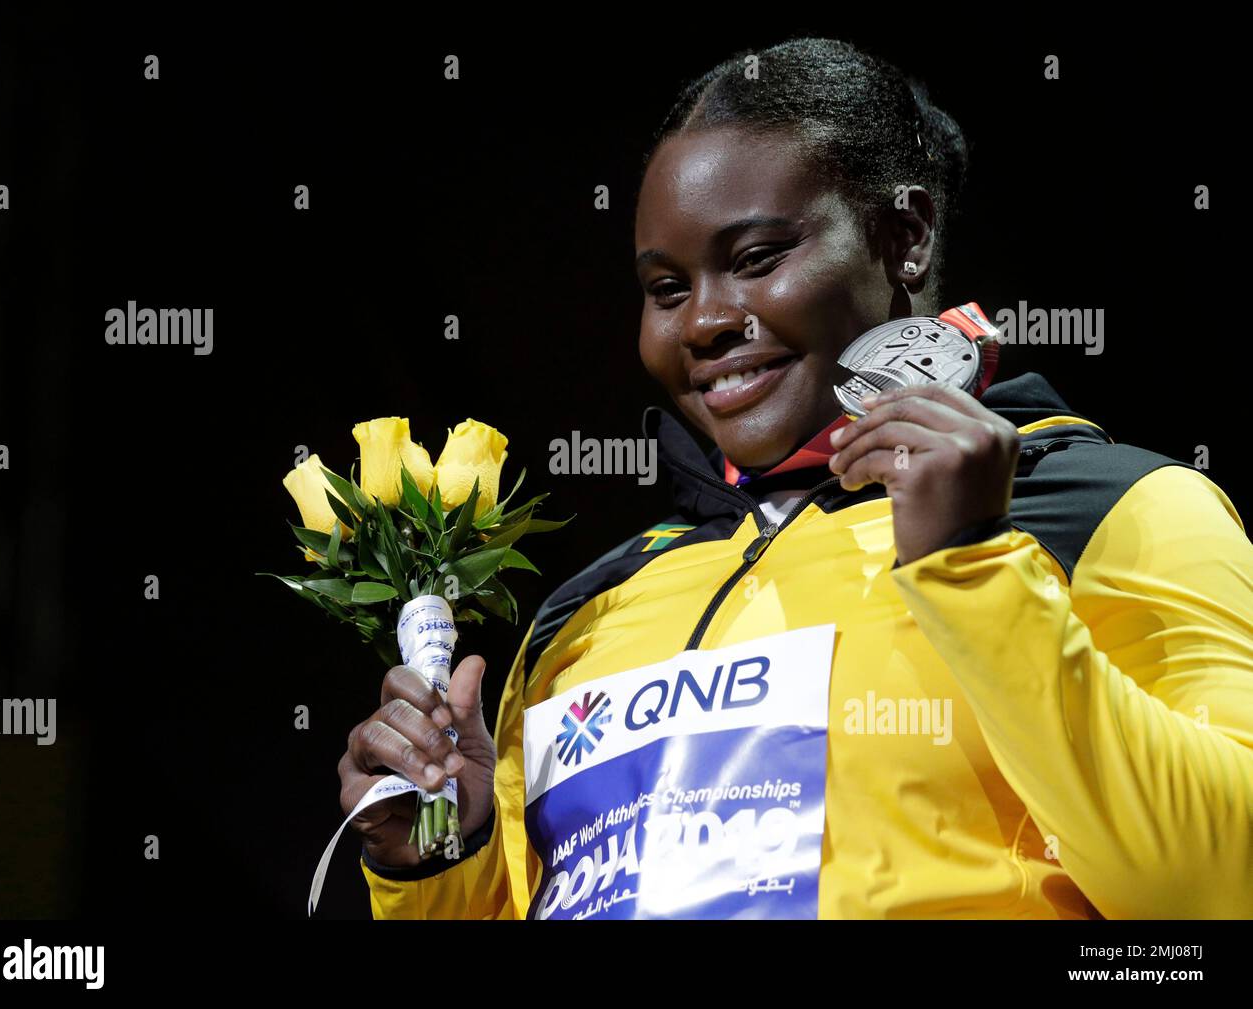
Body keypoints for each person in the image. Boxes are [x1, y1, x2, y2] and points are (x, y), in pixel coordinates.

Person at [337, 38, 1253, 919]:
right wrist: (435, 865)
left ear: (906, 235)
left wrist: (974, 573)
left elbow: (1222, 886)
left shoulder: (1107, 508)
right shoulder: (581, 617)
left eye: (755, 260)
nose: (704, 321)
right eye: (666, 288)